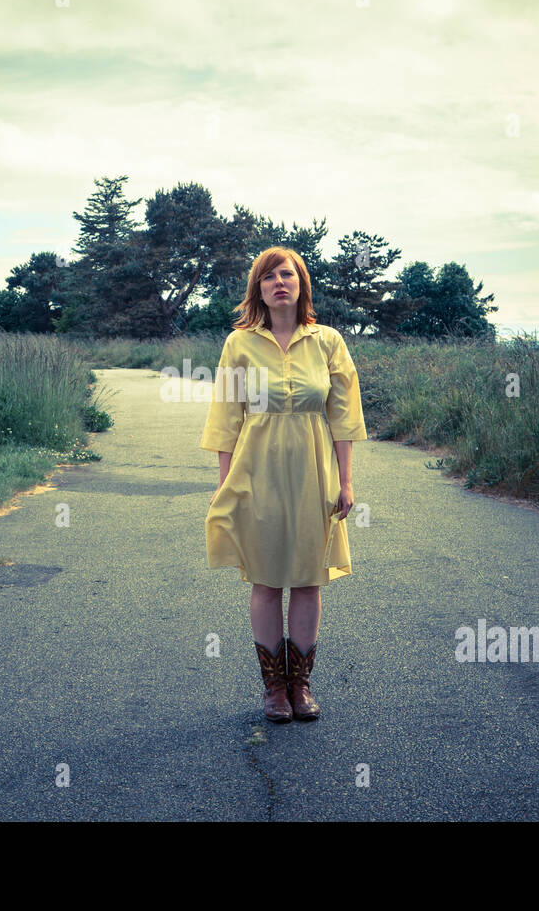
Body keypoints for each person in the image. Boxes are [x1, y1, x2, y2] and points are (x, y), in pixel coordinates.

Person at [199, 246, 367, 723]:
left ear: (301, 284)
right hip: (258, 473)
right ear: (259, 289)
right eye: (269, 276)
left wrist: (347, 480)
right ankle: (274, 689)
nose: (279, 282)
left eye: (287, 274)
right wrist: (224, 482)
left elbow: (343, 416)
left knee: (310, 580)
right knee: (267, 579)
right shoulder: (239, 345)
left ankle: (302, 685)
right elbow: (226, 417)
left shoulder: (328, 342)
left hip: (315, 472)